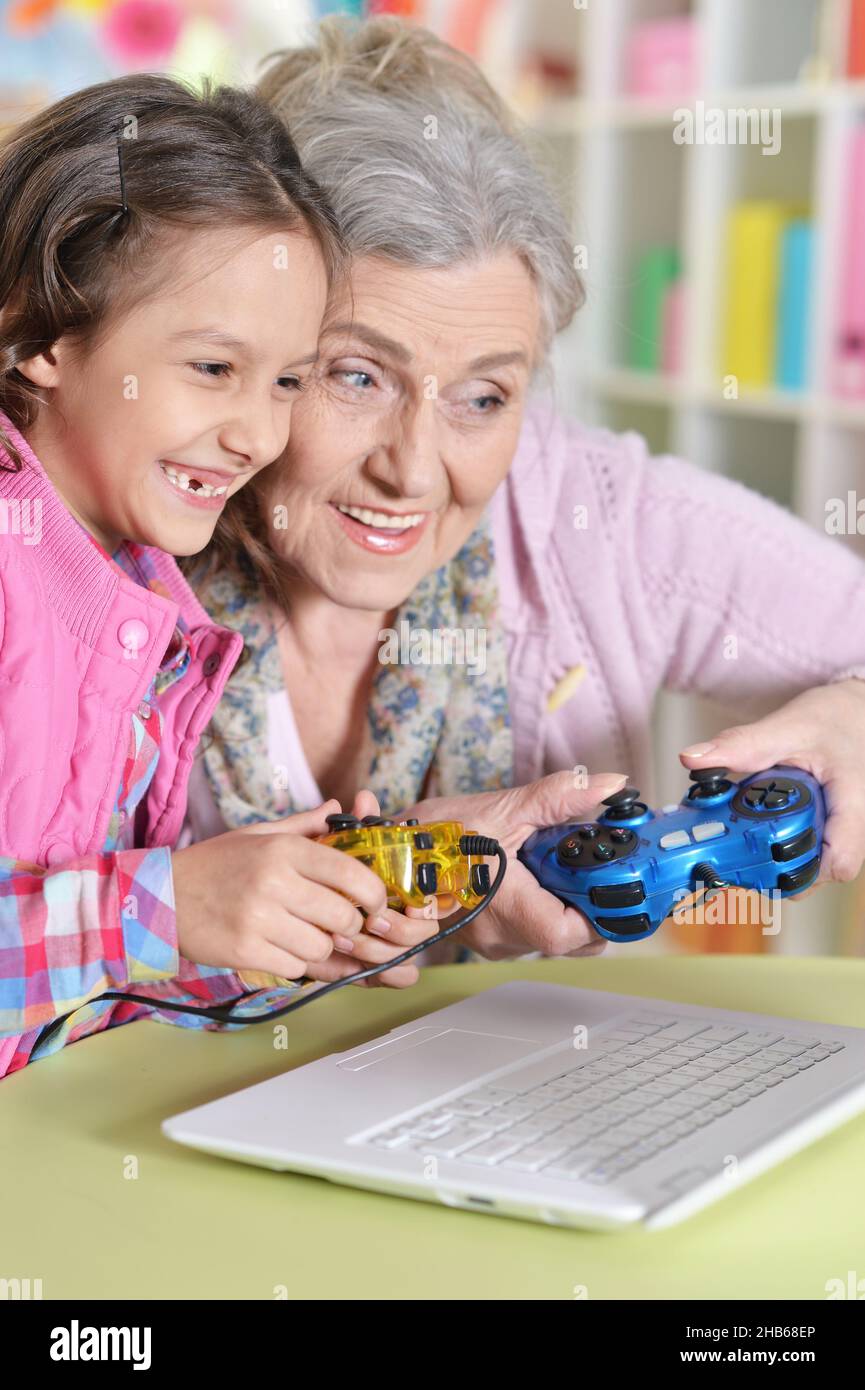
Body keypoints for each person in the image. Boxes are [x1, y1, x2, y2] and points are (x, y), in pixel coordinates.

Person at [184, 17, 865, 989]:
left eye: (483, 397)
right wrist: (175, 903)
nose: (414, 471)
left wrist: (853, 715)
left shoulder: (594, 517)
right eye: (356, 377)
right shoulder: (119, 524)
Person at [0, 72, 398, 1078]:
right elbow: (118, 922)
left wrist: (281, 938)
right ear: (40, 330)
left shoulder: (136, 586)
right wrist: (170, 904)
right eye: (213, 369)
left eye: (288, 381)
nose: (257, 434)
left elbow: (76, 989)